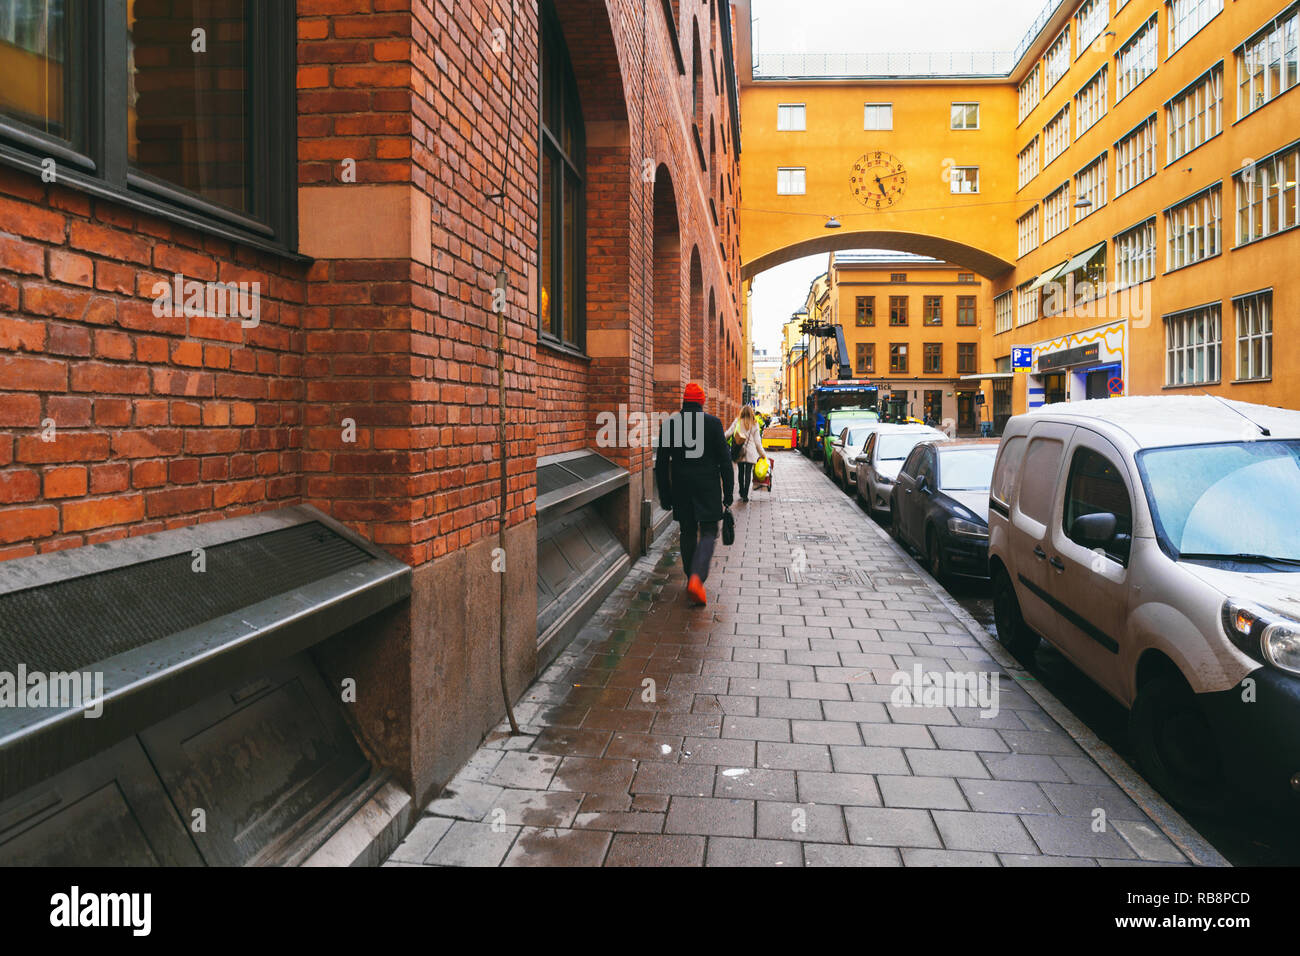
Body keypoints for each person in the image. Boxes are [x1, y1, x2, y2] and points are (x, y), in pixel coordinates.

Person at [655, 382, 733, 607]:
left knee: (688, 532)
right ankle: (697, 579)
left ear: (684, 401)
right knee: (709, 531)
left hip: (681, 488)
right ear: (701, 402)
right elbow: (725, 462)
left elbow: (661, 464)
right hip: (708, 488)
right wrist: (728, 493)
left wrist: (665, 495)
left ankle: (691, 578)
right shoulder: (713, 424)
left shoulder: (671, 425)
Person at [725, 405, 769, 503]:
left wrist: (721, 439)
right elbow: (758, 442)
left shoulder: (737, 421)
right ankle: (745, 495)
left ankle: (741, 491)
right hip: (750, 452)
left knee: (741, 472)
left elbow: (728, 433)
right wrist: (763, 454)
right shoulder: (754, 423)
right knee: (748, 472)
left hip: (739, 450)